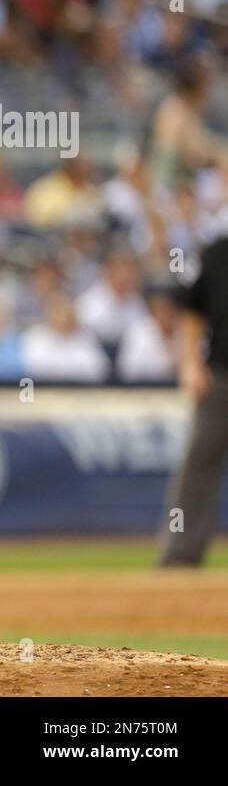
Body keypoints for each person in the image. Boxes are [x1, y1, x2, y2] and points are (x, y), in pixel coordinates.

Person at [156, 234, 228, 567]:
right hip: (221, 377)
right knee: (198, 466)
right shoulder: (217, 252)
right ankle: (181, 554)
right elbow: (192, 310)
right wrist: (189, 362)